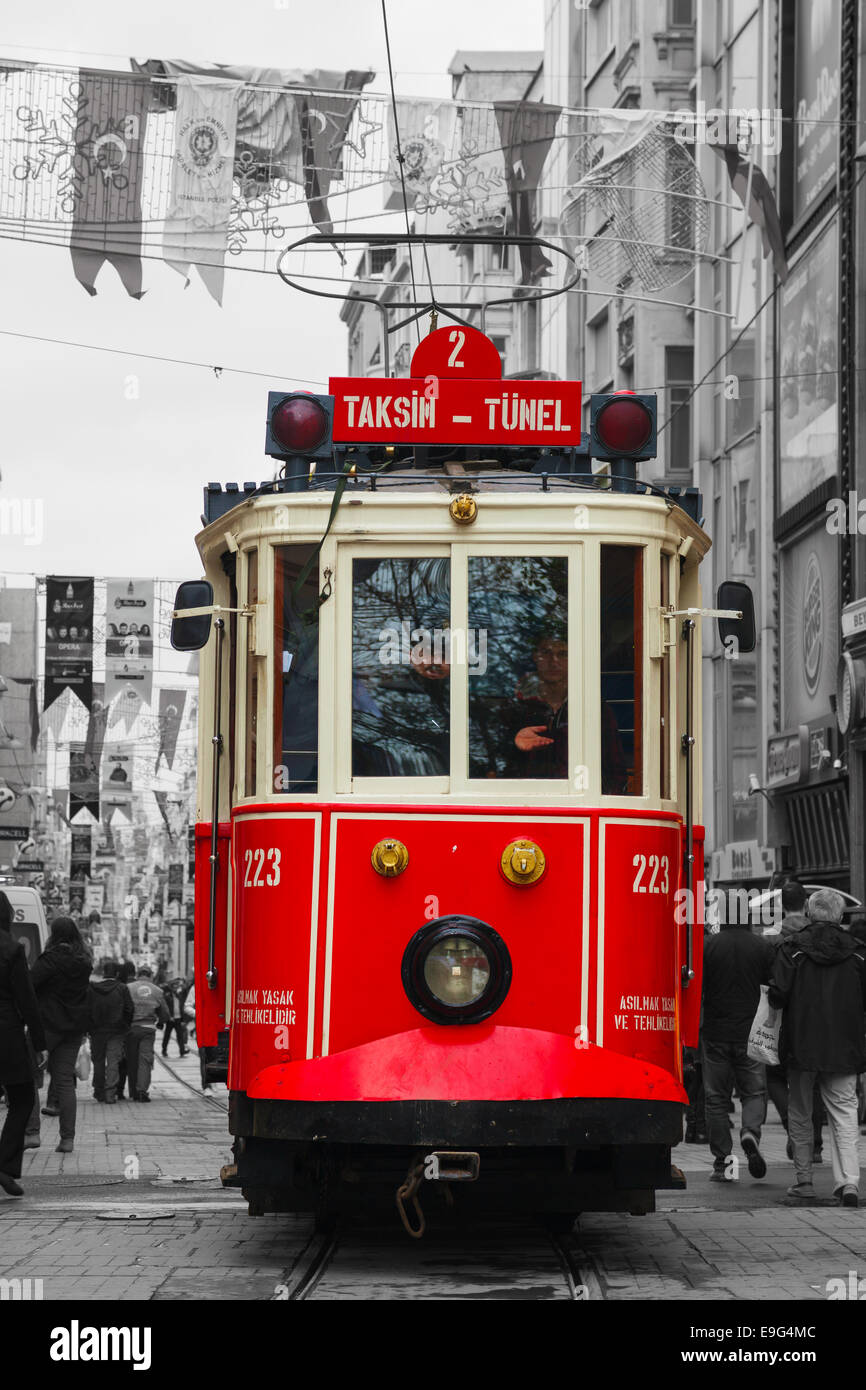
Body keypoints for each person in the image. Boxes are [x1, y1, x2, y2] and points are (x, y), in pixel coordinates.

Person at [769, 888, 866, 1206]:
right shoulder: (858, 952)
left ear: (810, 914)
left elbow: (778, 994)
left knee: (800, 1111)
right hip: (845, 1046)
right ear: (840, 917)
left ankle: (805, 1181)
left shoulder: (791, 949)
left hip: (802, 1044)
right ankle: (848, 1182)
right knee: (844, 1113)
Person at [701, 910, 775, 1181]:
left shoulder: (708, 946)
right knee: (754, 1092)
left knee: (716, 1098)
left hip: (715, 1032)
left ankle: (723, 1163)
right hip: (750, 1031)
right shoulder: (763, 947)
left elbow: (698, 987)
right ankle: (750, 1132)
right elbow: (772, 987)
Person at [764, 881, 826, 1162]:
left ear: (780, 905)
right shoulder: (818, 935)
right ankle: (815, 1144)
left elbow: (768, 980)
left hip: (782, 1016)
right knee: (813, 1078)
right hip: (816, 1016)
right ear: (805, 903)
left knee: (774, 1074)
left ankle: (793, 1126)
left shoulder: (772, 937)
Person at [30, 916, 91, 1154]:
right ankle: (67, 1139)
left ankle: (32, 1132)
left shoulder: (49, 960)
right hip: (73, 1028)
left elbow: (30, 985)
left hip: (47, 1026)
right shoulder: (84, 962)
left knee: (29, 1077)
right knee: (65, 1081)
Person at [0, 892, 47, 1196]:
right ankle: (4, 1165)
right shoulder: (11, 949)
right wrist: (40, 1042)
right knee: (22, 1099)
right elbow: (27, 999)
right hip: (7, 1034)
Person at [88, 959, 133, 1103]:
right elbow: (129, 1009)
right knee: (113, 1062)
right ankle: (110, 1094)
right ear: (117, 973)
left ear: (103, 973)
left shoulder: (93, 988)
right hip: (117, 1030)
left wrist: (89, 1026)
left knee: (98, 1061)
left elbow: (86, 1009)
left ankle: (98, 1091)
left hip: (97, 1031)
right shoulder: (122, 988)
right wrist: (125, 1024)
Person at [126, 966, 169, 1101]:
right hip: (148, 1029)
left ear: (138, 974)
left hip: (131, 1029)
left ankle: (132, 1091)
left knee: (132, 1060)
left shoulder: (128, 988)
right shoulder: (157, 991)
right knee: (145, 1060)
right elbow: (165, 1014)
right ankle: (142, 1090)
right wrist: (161, 1021)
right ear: (150, 975)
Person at [115, 960, 137, 1099]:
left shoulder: (121, 986)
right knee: (135, 1061)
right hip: (139, 1026)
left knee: (121, 1061)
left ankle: (119, 1090)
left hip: (123, 1028)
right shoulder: (138, 985)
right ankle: (135, 1091)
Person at [161, 978, 189, 1058]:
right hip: (170, 1019)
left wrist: (183, 1019)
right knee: (167, 1035)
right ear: (171, 987)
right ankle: (164, 1050)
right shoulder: (167, 995)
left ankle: (182, 1051)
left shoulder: (179, 995)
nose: (176, 987)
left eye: (177, 986)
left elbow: (181, 1007)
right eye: (174, 986)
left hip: (178, 1018)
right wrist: (169, 1016)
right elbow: (165, 1007)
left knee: (180, 1035)